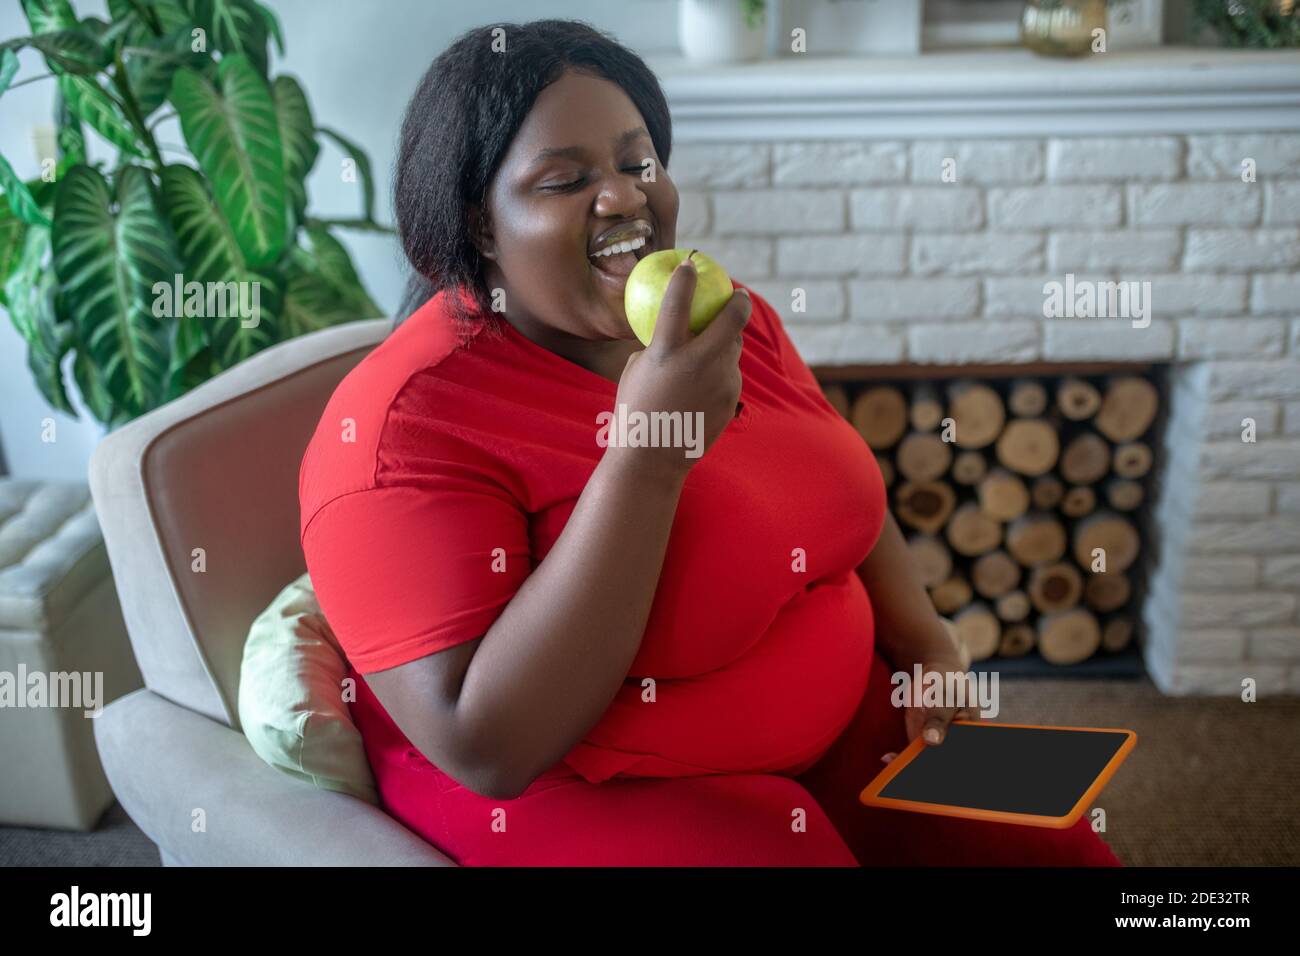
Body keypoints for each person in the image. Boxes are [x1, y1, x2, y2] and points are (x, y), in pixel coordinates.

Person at [298, 18, 1121, 867]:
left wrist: (928, 647)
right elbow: (488, 747)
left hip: (842, 726)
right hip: (584, 788)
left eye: (636, 162)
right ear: (477, 225)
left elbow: (845, 500)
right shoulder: (402, 432)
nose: (621, 196)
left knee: (1065, 856)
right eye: (565, 179)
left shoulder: (721, 317)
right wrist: (649, 454)